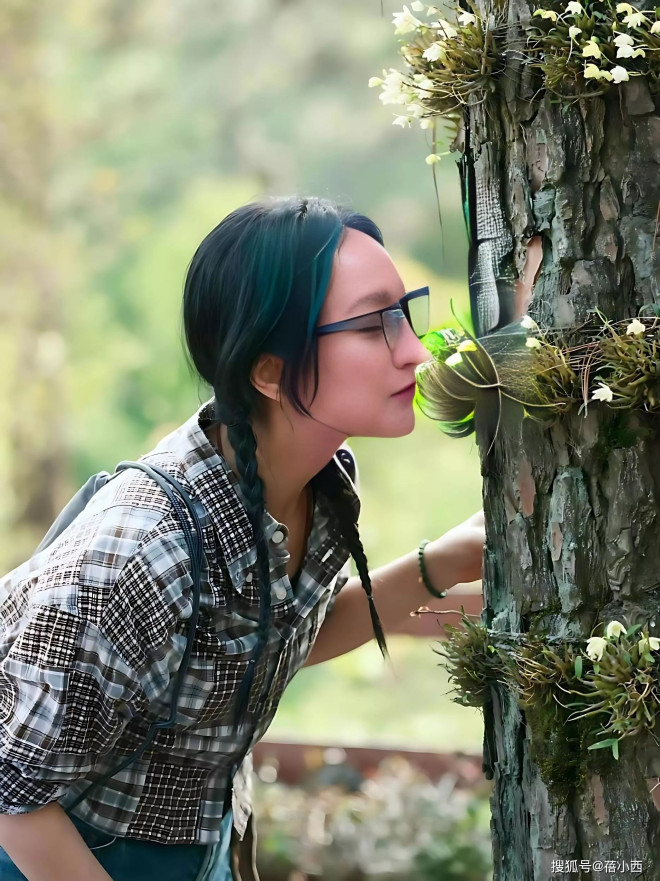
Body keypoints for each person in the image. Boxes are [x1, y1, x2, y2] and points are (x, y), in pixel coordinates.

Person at [0, 196, 485, 881]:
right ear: (271, 371)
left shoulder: (319, 486)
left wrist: (449, 557)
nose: (414, 348)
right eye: (376, 323)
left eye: (406, 311)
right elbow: (15, 791)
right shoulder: (144, 552)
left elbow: (271, 642)